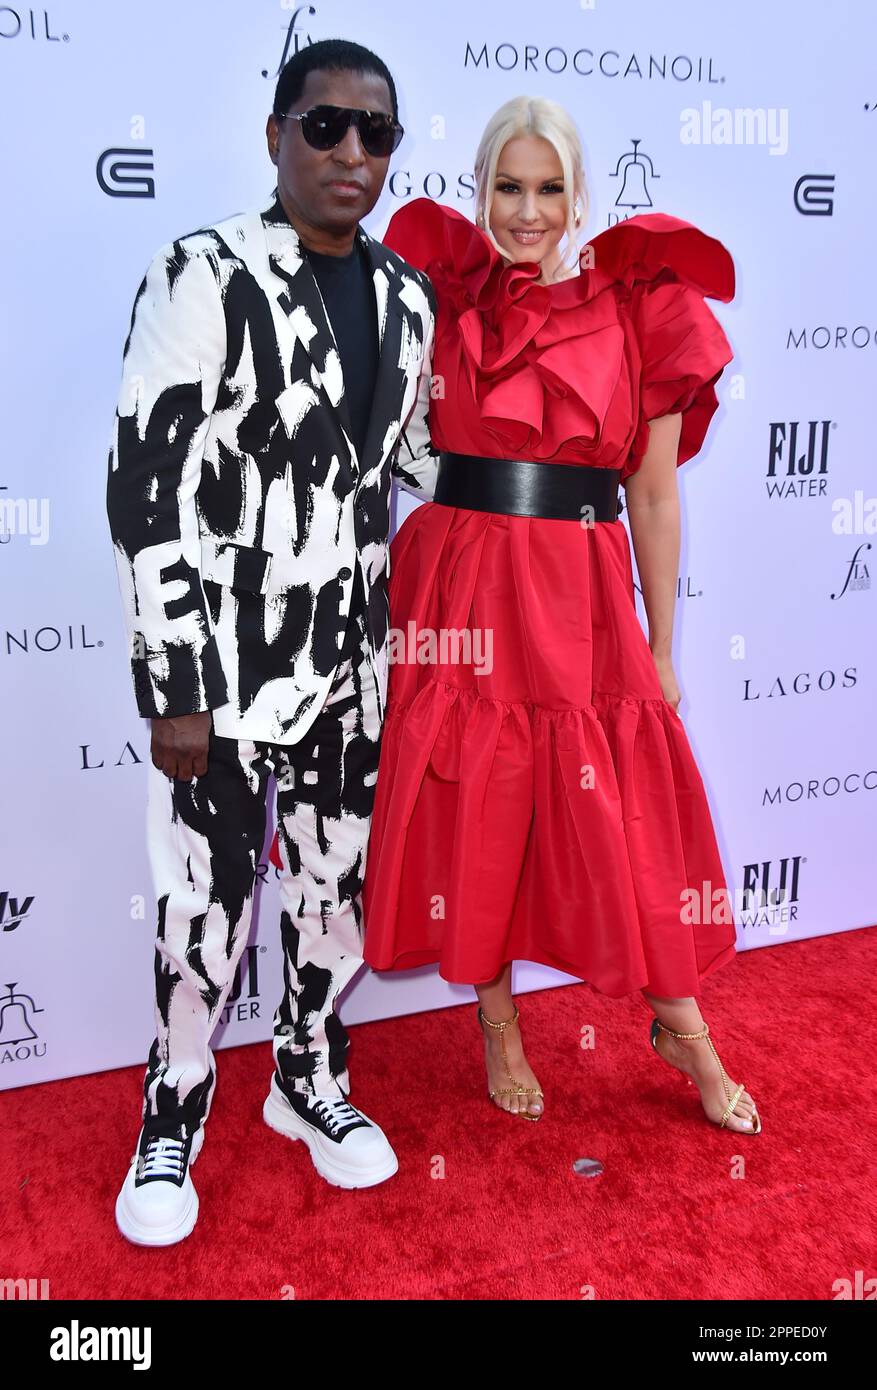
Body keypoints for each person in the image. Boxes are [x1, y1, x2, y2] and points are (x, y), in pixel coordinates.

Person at [361, 95, 762, 1135]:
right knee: (474, 805)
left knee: (622, 820)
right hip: (459, 580)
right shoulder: (438, 295)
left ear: (578, 195)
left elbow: (656, 493)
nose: (526, 213)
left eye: (547, 189)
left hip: (579, 593)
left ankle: (683, 1025)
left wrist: (664, 645)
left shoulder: (641, 302)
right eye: (506, 187)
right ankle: (496, 1021)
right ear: (479, 189)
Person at [106, 38, 437, 1246]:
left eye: (378, 134)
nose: (353, 153)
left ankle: (307, 1074)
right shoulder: (202, 273)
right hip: (223, 673)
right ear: (277, 135)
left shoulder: (407, 296)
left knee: (330, 896)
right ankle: (175, 1104)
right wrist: (174, 684)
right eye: (327, 126)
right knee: (202, 906)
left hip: (350, 669)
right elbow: (147, 485)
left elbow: (410, 469)